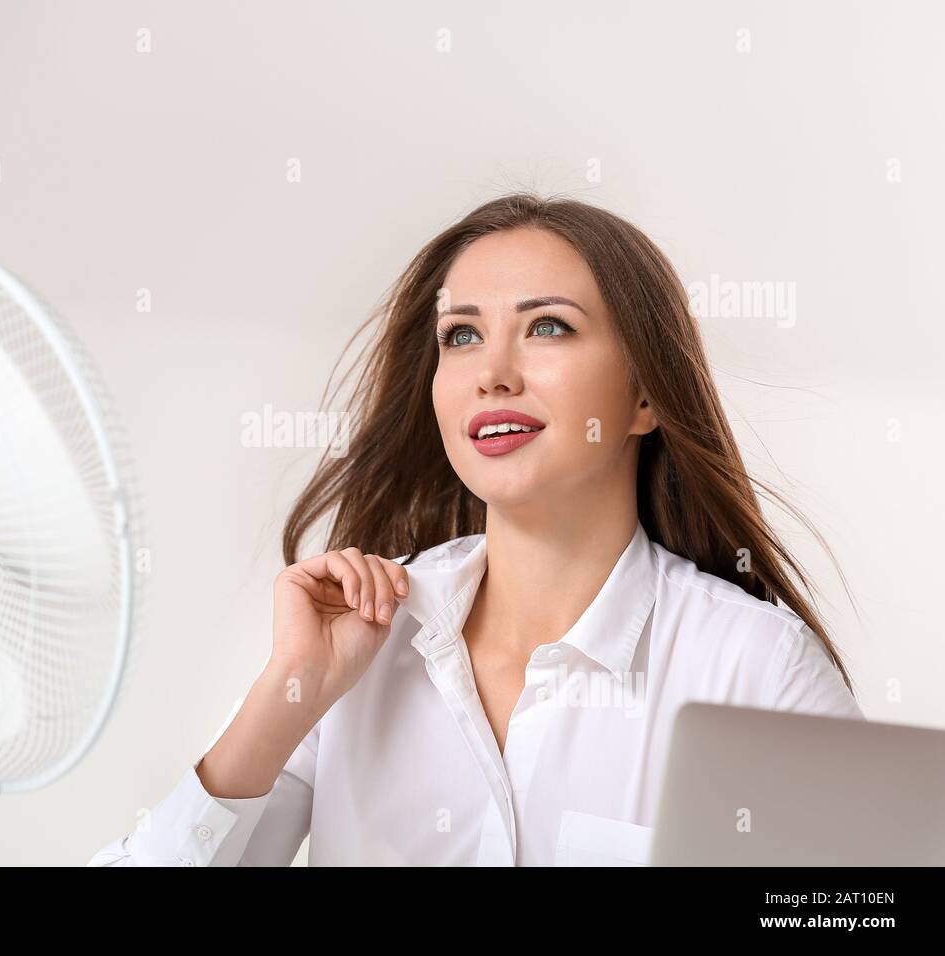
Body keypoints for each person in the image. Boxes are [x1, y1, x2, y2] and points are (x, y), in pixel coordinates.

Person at [87, 192, 864, 866]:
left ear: (643, 399)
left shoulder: (755, 670)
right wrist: (289, 695)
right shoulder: (357, 646)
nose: (493, 371)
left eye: (549, 327)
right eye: (461, 335)